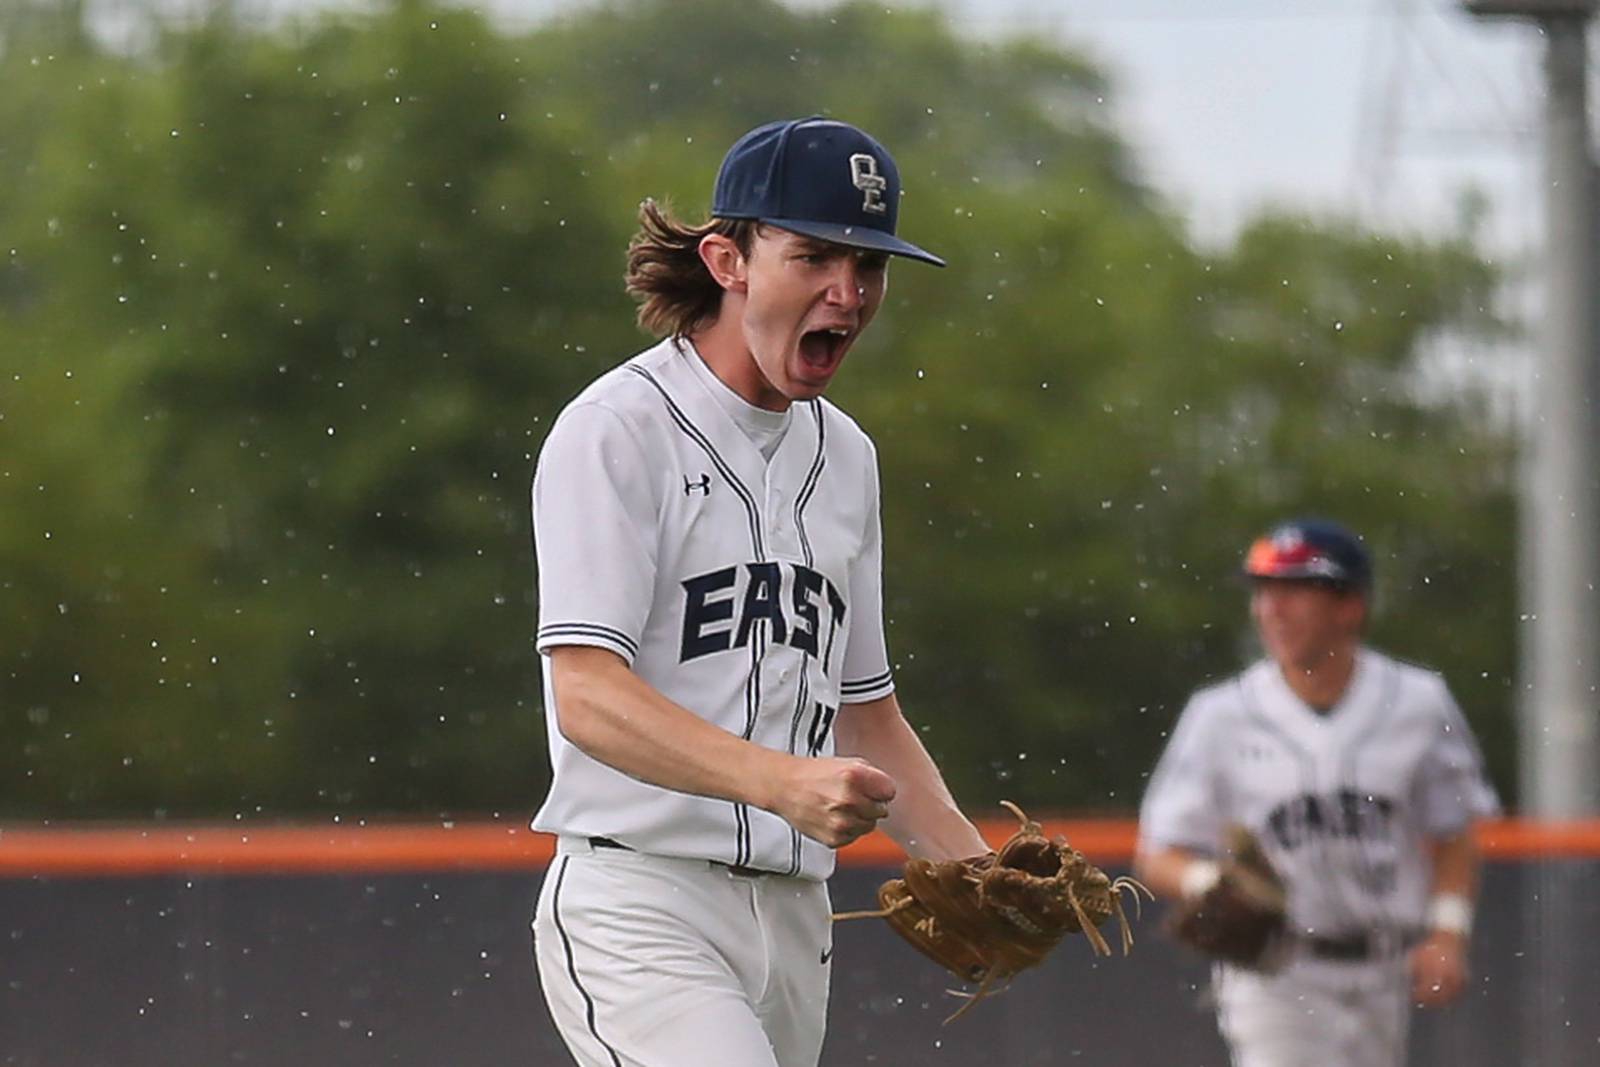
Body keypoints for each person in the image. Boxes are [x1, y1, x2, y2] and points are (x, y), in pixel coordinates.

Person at [527, 117, 989, 1067]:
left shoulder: (847, 458)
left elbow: (863, 718)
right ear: (727, 258)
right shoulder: (618, 430)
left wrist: (972, 868)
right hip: (643, 898)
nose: (847, 294)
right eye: (814, 255)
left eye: (868, 266)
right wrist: (783, 781)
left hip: (793, 918)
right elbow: (588, 695)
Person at [1135, 518, 1499, 1067]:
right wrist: (1214, 880)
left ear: (1349, 606)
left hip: (1384, 970)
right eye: (1263, 592)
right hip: (1276, 969)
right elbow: (1157, 853)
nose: (1271, 609)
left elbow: (1452, 834)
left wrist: (1448, 932)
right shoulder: (1221, 715)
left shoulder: (1420, 704)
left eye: (1293, 591)